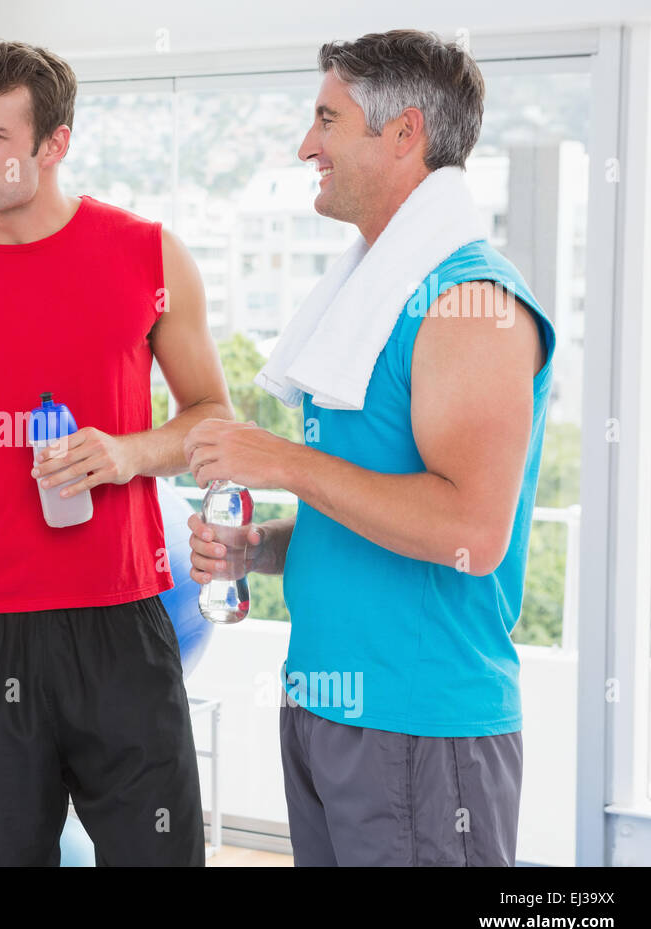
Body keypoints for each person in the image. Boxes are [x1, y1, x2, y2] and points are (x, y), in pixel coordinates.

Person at [0, 38, 235, 866]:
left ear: (53, 145)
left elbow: (210, 418)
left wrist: (128, 452)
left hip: (121, 625)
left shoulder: (149, 256)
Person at [185, 30, 554, 866]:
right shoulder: (368, 300)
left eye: (327, 119)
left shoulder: (472, 304)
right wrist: (264, 549)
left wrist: (281, 462)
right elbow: (367, 502)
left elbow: (471, 530)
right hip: (324, 711)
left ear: (404, 133)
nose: (305, 145)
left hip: (420, 722)